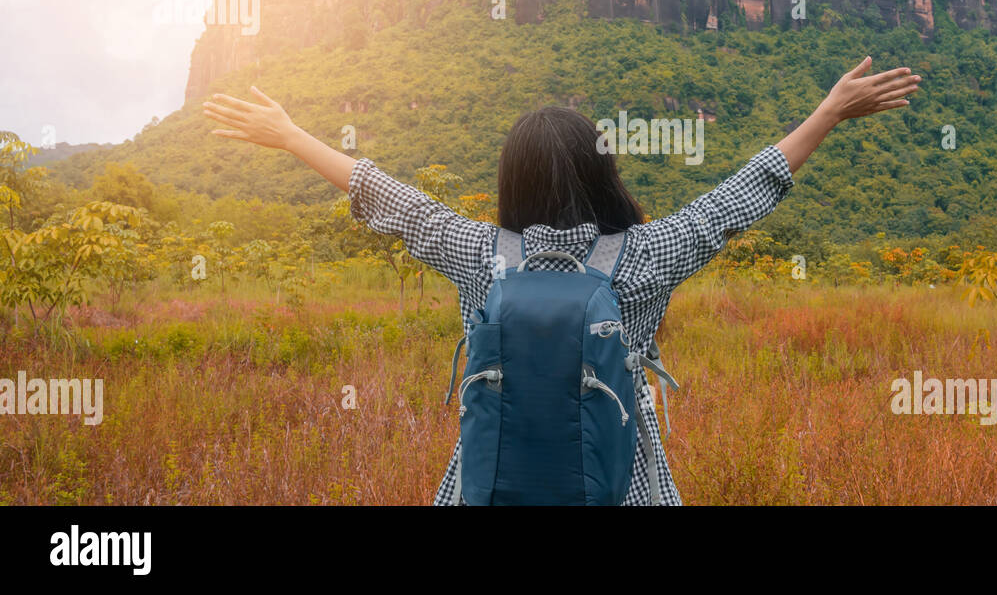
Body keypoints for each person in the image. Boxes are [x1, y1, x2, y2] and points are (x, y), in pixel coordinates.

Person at [203, 55, 921, 504]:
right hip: (622, 485)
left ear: (510, 181)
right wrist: (828, 112)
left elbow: (391, 199)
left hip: (489, 487)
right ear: (602, 174)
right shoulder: (646, 254)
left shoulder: (476, 252)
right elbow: (735, 199)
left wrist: (291, 134)